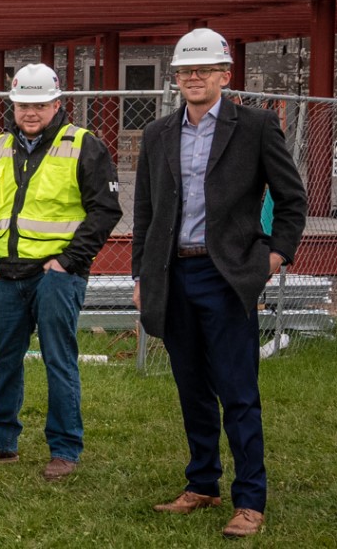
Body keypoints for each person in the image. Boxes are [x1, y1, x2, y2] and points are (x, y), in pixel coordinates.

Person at [133, 28, 306, 539]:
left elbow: (292, 199)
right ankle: (202, 482)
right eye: (186, 71)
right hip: (173, 273)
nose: (194, 78)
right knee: (191, 388)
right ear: (177, 78)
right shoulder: (158, 133)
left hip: (227, 275)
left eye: (204, 70)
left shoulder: (253, 127)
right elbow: (145, 212)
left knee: (238, 390)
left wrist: (273, 257)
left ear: (224, 75)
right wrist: (142, 273)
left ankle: (250, 499)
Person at [0, 63, 121, 481]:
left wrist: (68, 261)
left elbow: (105, 210)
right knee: (4, 359)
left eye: (39, 104)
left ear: (57, 103)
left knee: (58, 360)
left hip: (56, 276)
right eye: (23, 104)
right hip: (6, 275)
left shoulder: (83, 145)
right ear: (13, 106)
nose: (30, 112)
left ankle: (64, 449)